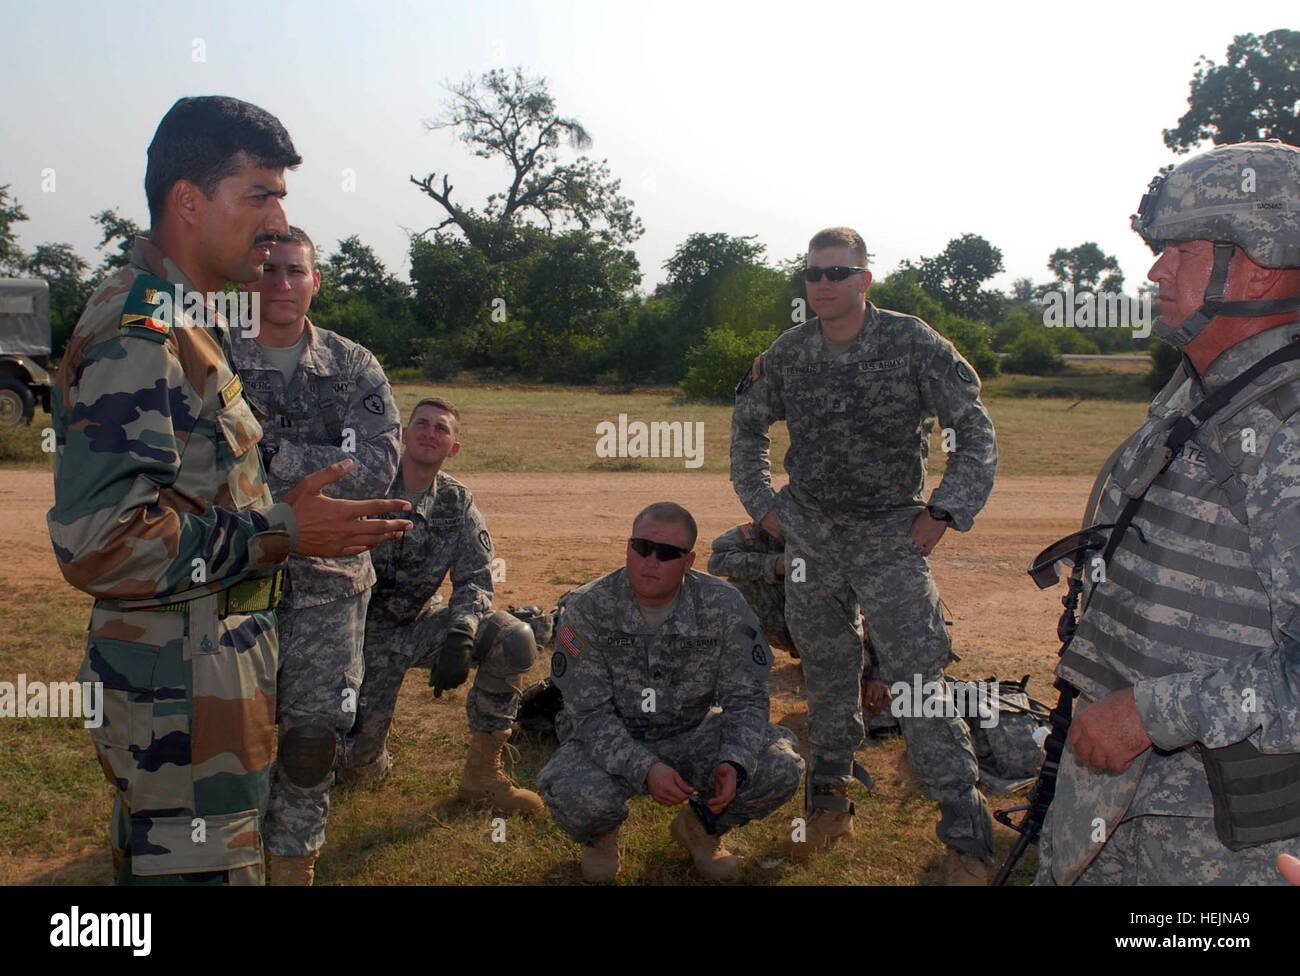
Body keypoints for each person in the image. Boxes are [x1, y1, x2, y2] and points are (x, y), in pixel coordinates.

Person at [45, 96, 411, 886]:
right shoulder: (140, 329)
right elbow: (102, 541)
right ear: (188, 199)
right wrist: (282, 532)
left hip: (198, 689)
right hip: (178, 701)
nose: (277, 222)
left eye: (281, 200)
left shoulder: (186, 322)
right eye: (259, 196)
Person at [1036, 141, 1300, 886]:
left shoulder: (1288, 419)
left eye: (1181, 249)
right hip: (1120, 797)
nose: (1155, 272)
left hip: (1217, 836)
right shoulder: (1206, 389)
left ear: (1260, 262)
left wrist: (1153, 713)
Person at [730, 226, 998, 883]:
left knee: (916, 682)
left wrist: (945, 509)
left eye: (838, 272)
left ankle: (966, 838)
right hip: (813, 533)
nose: (824, 284)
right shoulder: (789, 352)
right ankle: (829, 806)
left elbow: (974, 425)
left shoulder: (912, 342)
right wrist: (764, 507)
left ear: (864, 279)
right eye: (814, 274)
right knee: (825, 671)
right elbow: (746, 426)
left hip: (890, 534)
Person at [232, 227, 401, 885]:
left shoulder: (354, 365)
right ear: (247, 281)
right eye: (267, 269)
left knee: (312, 741)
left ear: (315, 280)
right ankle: (219, 856)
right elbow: (198, 470)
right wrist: (313, 466)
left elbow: (376, 469)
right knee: (224, 740)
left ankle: (293, 864)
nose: (281, 283)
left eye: (294, 270)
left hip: (331, 585)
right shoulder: (208, 359)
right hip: (232, 576)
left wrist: (272, 458)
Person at [537, 502, 804, 882]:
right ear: (628, 547)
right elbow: (589, 715)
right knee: (572, 791)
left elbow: (746, 698)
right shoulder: (588, 608)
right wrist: (645, 769)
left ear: (689, 561)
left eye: (666, 553)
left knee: (779, 764)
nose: (650, 561)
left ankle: (701, 827)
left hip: (691, 731)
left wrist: (734, 760)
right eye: (641, 547)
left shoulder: (723, 606)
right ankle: (600, 837)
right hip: (610, 736)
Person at [339, 397, 543, 815]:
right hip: (346, 635)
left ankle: (482, 776)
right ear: (402, 434)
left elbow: (475, 578)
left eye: (442, 429)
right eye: (423, 425)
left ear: (453, 449)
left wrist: (462, 630)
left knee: (513, 637)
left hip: (414, 627)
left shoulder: (456, 502)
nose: (431, 433)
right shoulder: (363, 485)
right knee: (358, 776)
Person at [707, 521, 892, 718]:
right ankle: (723, 689)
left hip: (831, 630)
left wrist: (876, 674)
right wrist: (775, 565)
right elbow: (716, 561)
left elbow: (875, 610)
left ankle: (865, 688)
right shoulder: (753, 534)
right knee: (729, 594)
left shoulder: (832, 535)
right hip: (777, 623)